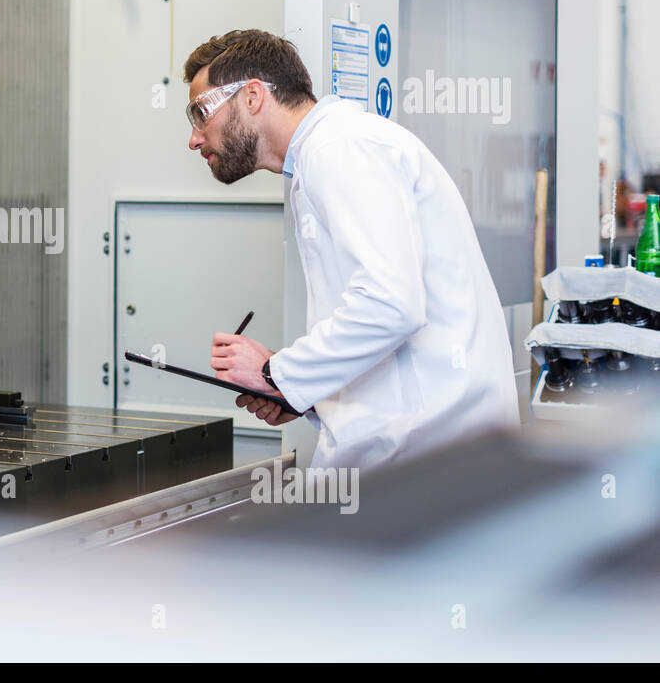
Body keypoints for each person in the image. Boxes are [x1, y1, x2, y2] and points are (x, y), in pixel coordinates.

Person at [186, 29, 519, 469]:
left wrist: (276, 373)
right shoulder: (325, 155)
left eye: (200, 113)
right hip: (425, 454)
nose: (194, 139)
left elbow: (391, 304)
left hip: (427, 461)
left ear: (252, 96)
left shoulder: (339, 148)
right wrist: (299, 392)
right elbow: (379, 319)